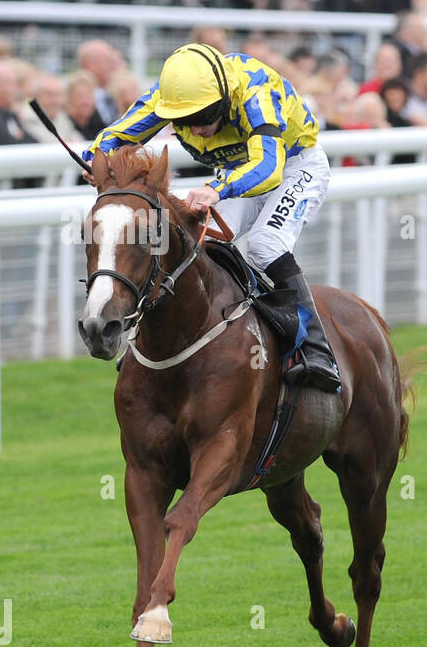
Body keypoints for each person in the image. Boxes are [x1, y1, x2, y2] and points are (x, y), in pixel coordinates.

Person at [84, 43, 341, 392]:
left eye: (205, 118)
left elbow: (268, 167)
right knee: (200, 238)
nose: (199, 130)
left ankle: (315, 349)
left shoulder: (255, 91)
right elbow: (110, 140)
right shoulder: (167, 97)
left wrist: (218, 190)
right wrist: (96, 161)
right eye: (186, 121)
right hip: (237, 171)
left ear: (222, 98)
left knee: (266, 243)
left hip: (294, 166)